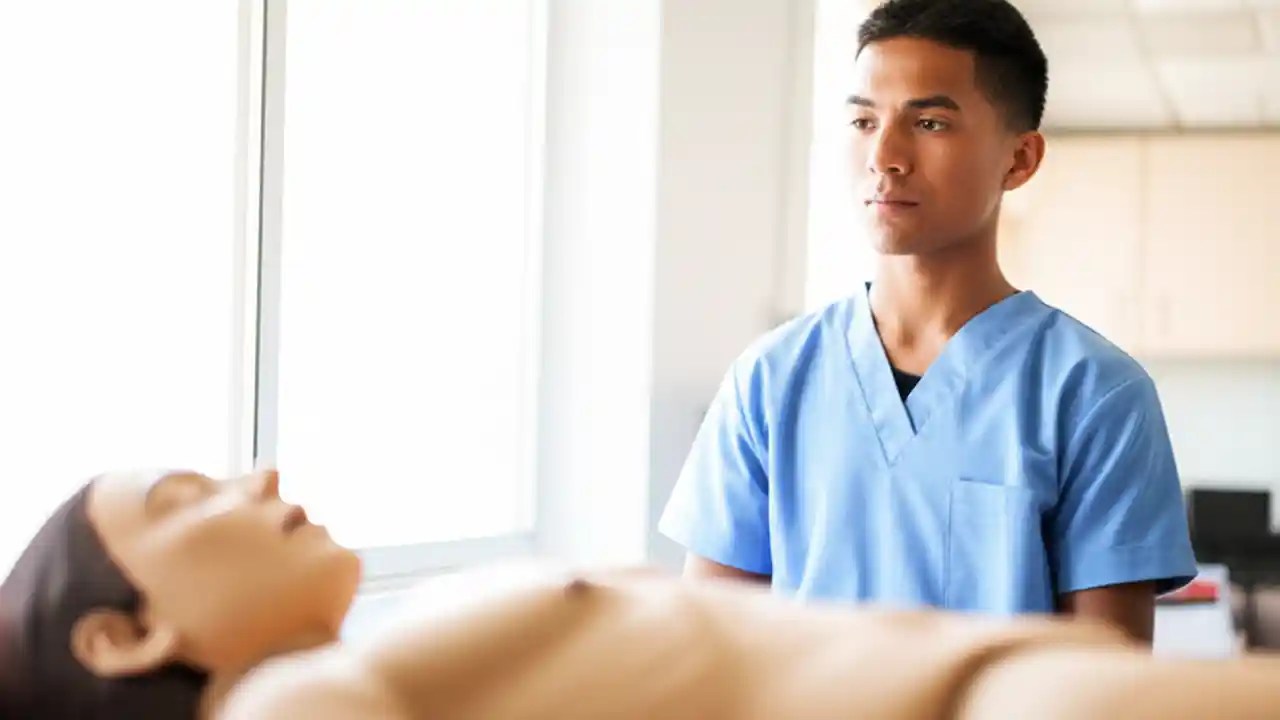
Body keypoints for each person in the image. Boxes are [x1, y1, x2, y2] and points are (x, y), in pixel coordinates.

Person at [658, 0, 1196, 643]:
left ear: (1019, 160)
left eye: (930, 123)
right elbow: (711, 651)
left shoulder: (1095, 394)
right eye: (863, 121)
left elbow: (1104, 678)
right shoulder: (769, 380)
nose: (884, 156)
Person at [2, 469, 1276, 720]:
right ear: (122, 637)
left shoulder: (373, 656)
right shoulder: (286, 705)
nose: (258, 479)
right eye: (186, 499)